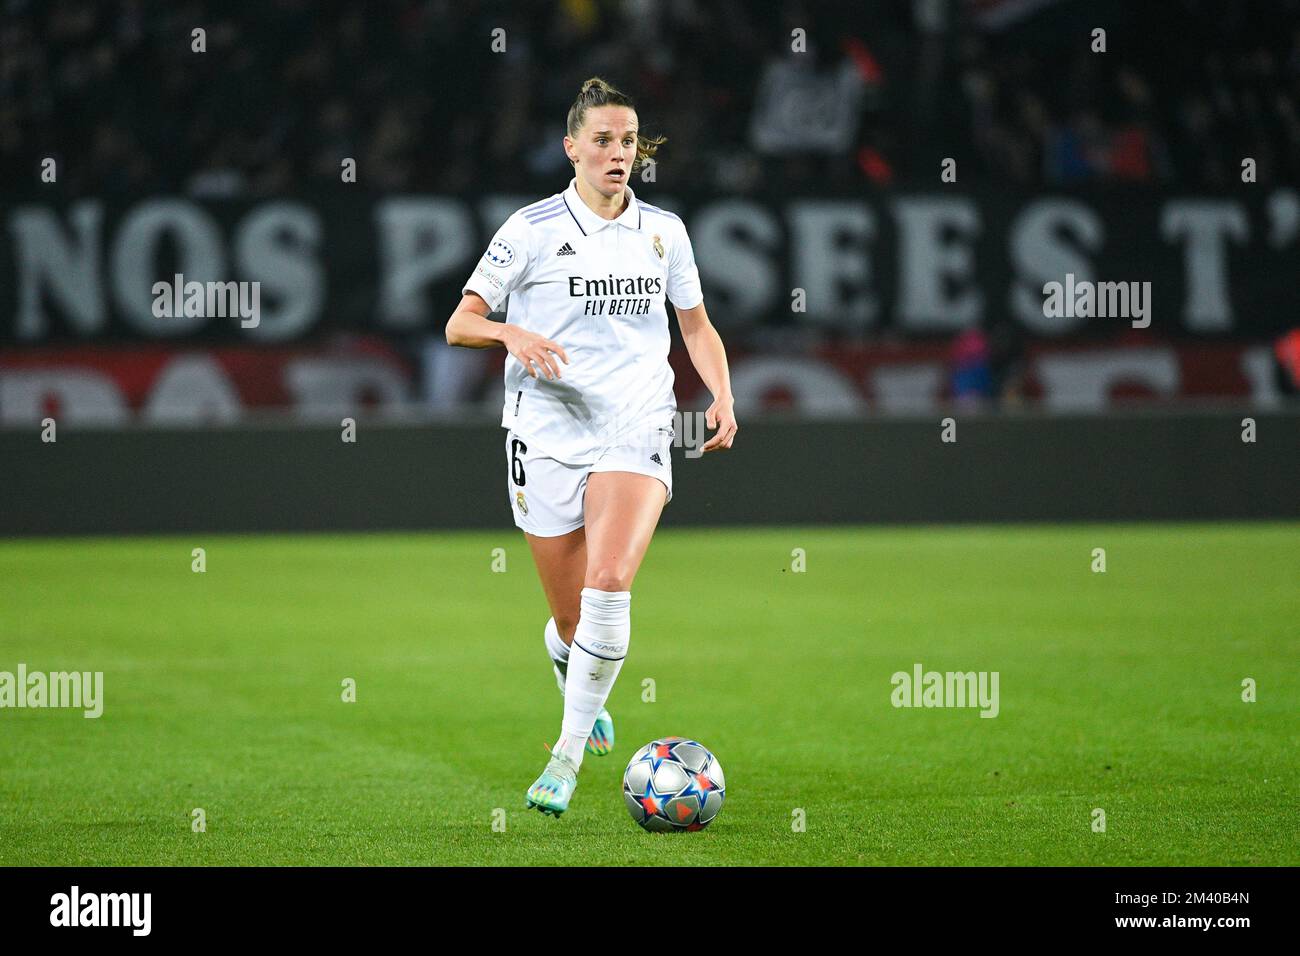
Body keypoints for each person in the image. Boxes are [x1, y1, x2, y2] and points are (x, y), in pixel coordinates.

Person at [444, 77, 738, 816]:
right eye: (602, 140)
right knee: (575, 620)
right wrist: (509, 330)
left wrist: (722, 395)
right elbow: (461, 321)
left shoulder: (665, 230)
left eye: (628, 141)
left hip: (638, 424)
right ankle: (565, 655)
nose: (617, 153)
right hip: (544, 431)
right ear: (571, 147)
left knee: (609, 582)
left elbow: (694, 326)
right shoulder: (531, 229)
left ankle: (565, 758)